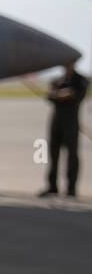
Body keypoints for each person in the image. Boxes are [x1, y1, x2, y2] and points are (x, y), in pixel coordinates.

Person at [39, 63, 88, 198]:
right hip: (56, 121)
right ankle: (52, 186)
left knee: (72, 155)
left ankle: (71, 188)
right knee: (53, 154)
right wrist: (62, 94)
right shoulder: (57, 80)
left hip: (71, 122)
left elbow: (77, 95)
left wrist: (61, 95)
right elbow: (49, 96)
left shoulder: (80, 80)